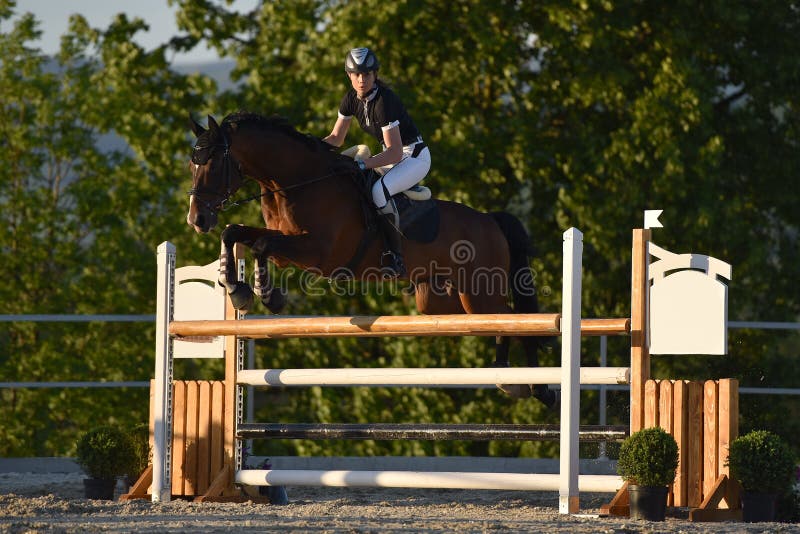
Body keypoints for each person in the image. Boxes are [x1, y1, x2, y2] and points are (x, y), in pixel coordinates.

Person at [323, 47, 431, 278]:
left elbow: (393, 152)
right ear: (349, 76)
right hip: (393, 157)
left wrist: (362, 164)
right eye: (356, 75)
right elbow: (336, 139)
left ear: (375, 75)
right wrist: (309, 149)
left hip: (413, 157)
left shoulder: (384, 101)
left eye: (367, 74)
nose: (362, 80)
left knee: (378, 192)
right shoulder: (351, 99)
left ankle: (396, 257)